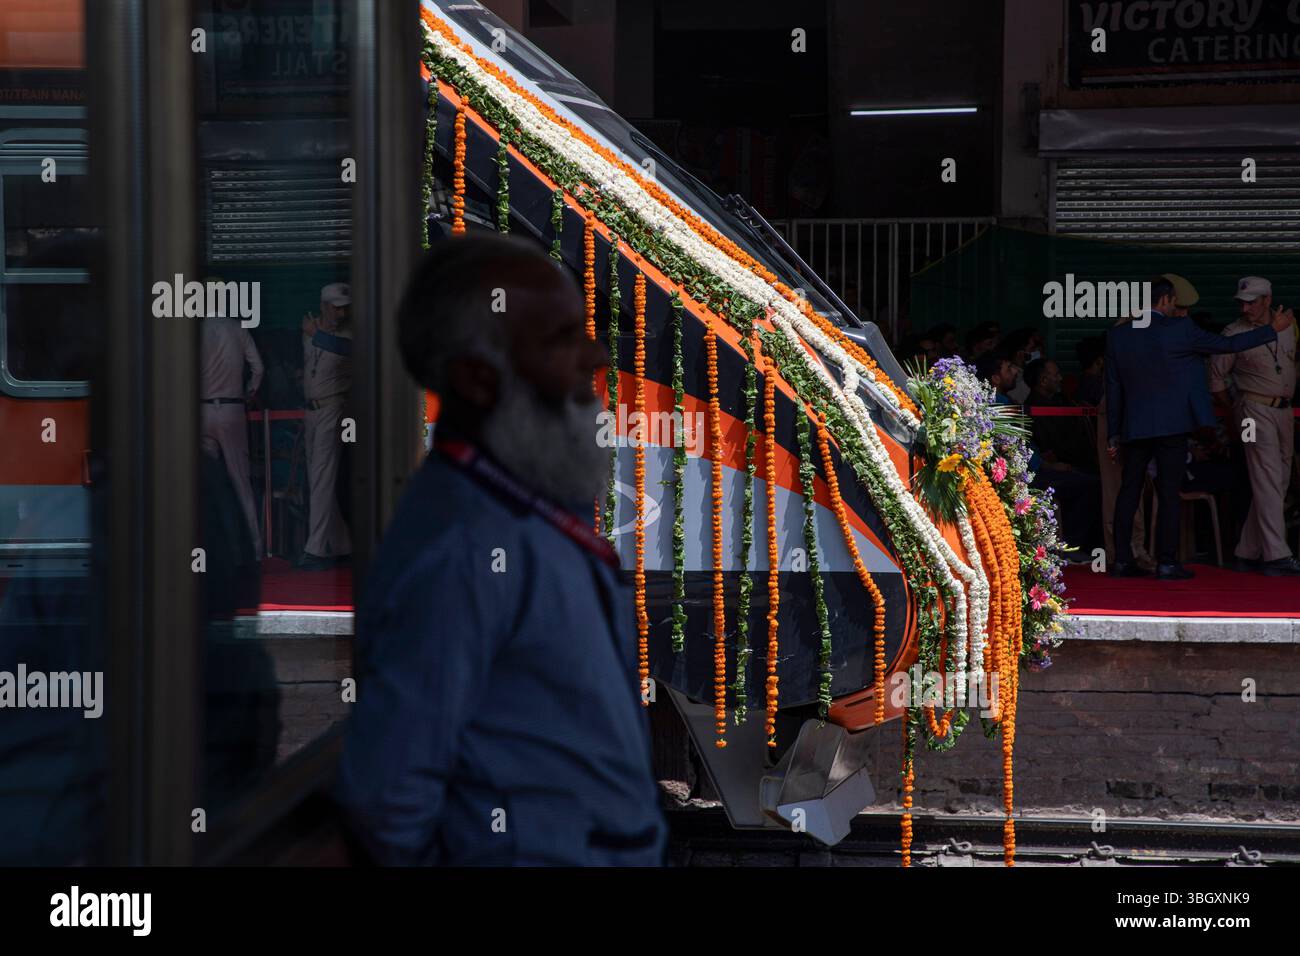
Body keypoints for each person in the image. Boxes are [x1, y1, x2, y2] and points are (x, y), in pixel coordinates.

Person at [334, 234, 666, 866]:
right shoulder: (464, 547)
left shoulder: (515, 507)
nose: (593, 359)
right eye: (561, 340)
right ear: (477, 378)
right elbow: (387, 800)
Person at [1105, 276, 1291, 580]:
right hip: (1172, 427)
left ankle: (1122, 561)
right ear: (1166, 300)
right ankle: (1167, 562)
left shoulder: (1118, 336)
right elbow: (1228, 344)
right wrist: (1273, 330)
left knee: (1129, 492)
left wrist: (1114, 432)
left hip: (1134, 426)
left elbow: (1113, 388)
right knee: (1168, 492)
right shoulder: (1180, 329)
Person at [1208, 276, 1300, 576]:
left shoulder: (1288, 326)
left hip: (1284, 410)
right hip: (1252, 409)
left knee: (1278, 480)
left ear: (1267, 300)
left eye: (1252, 302)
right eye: (1242, 303)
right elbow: (1216, 380)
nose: (1245, 308)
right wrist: (1235, 410)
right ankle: (1276, 556)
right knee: (1268, 476)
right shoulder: (1234, 333)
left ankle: (1246, 550)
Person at [200, 312, 264, 558]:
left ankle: (210, 548)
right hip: (232, 407)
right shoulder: (238, 328)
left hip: (202, 409)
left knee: (206, 482)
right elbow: (258, 367)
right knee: (240, 480)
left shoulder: (196, 329)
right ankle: (254, 549)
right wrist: (249, 391)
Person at [299, 283, 354, 570]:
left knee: (321, 475)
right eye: (336, 306)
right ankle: (343, 543)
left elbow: (349, 349)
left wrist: (316, 335)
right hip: (311, 411)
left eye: (344, 307)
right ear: (324, 305)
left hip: (334, 408)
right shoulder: (310, 329)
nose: (342, 312)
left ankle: (315, 550)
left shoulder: (343, 334)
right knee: (319, 478)